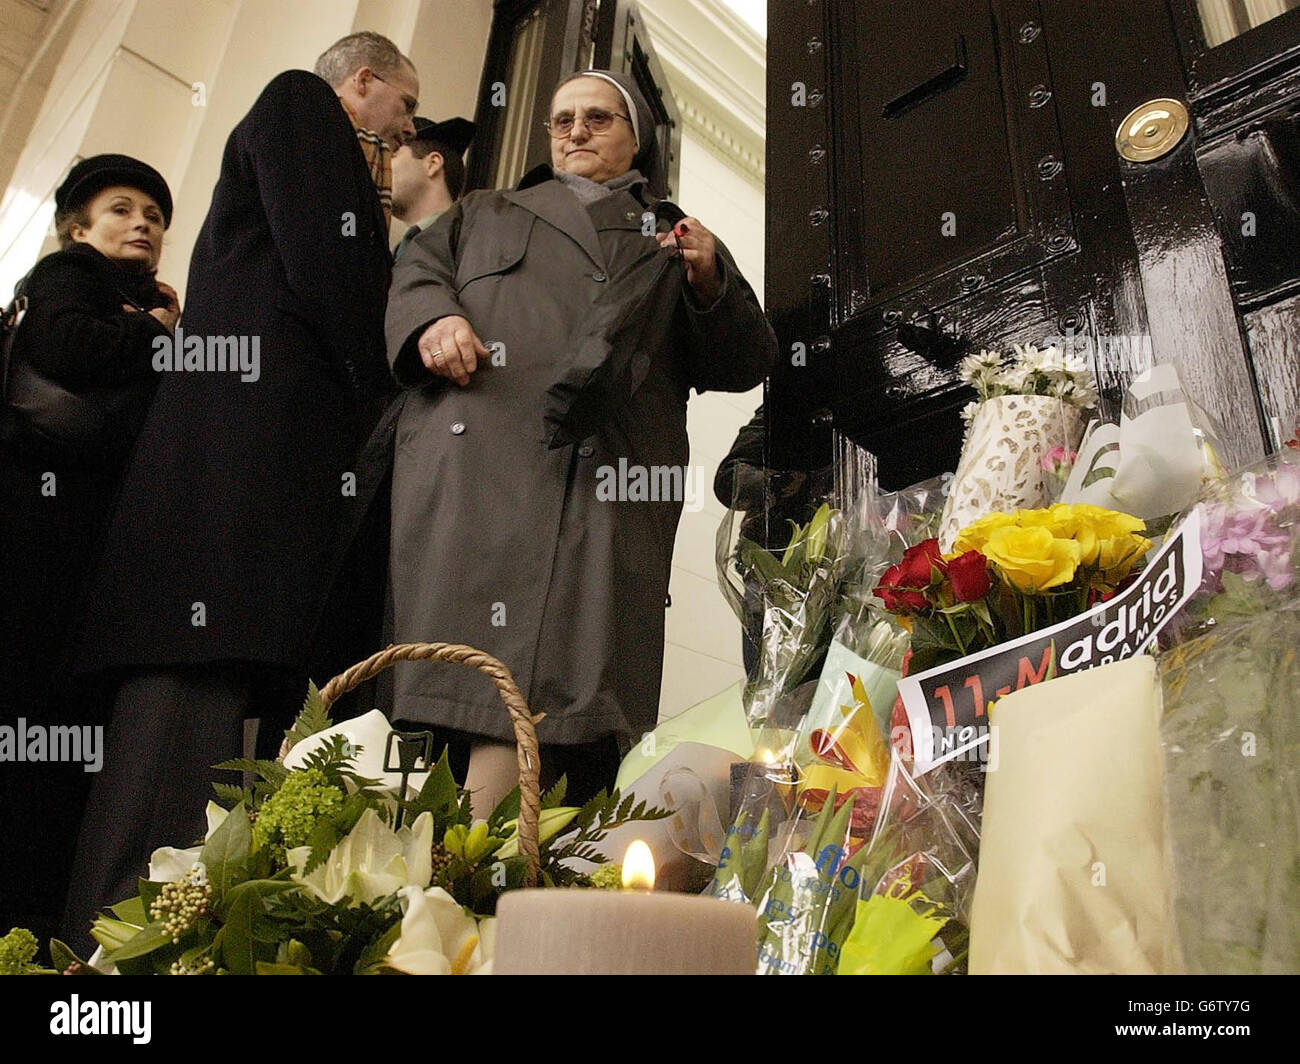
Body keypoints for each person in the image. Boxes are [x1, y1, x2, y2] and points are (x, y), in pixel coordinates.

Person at [62, 32, 417, 947]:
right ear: (364, 81)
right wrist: (396, 362)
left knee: (191, 787)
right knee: (160, 796)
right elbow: (332, 272)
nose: (406, 131)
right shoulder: (303, 101)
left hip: (238, 522)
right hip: (221, 521)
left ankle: (145, 966)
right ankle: (105, 981)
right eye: (402, 109)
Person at [386, 69, 777, 816]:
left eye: (597, 118)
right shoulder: (482, 212)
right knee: (461, 685)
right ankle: (450, 875)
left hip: (609, 485)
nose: (575, 132)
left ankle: (530, 882)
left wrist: (708, 281)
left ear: (637, 137)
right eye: (562, 120)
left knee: (578, 697)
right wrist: (434, 320)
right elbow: (417, 274)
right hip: (480, 479)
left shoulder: (677, 233)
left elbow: (744, 359)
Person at [0, 155, 178, 949]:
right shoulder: (73, 274)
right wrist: (155, 332)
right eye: (120, 209)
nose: (142, 222)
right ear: (79, 226)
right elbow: (67, 349)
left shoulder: (138, 303)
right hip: (41, 522)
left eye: (153, 215)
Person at [392, 115, 475, 260]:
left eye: (392, 155)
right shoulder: (392, 258)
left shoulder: (473, 244)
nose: (382, 167)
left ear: (433, 164)